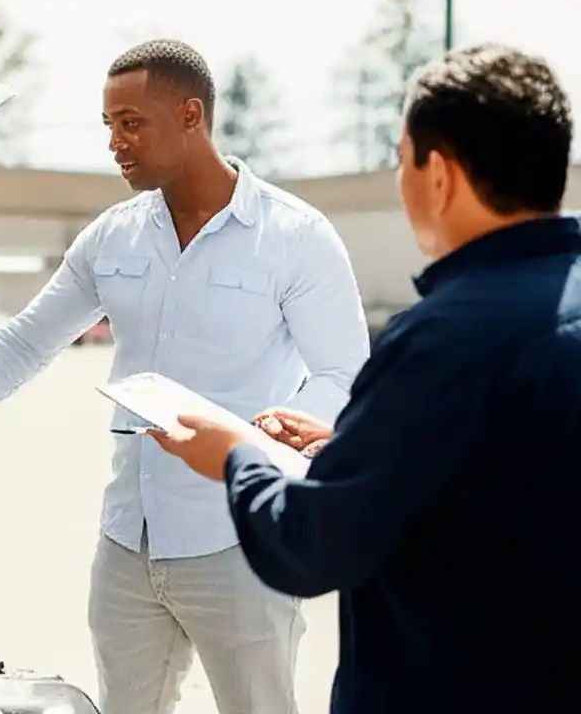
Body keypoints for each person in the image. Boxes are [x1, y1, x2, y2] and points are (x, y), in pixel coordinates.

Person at [0, 39, 370, 714]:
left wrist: (270, 433)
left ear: (190, 115)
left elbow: (343, 372)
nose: (116, 143)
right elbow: (27, 340)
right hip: (128, 543)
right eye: (109, 126)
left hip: (239, 541)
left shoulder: (296, 237)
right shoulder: (112, 237)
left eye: (131, 123)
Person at [149, 43, 581, 713]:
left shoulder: (443, 339)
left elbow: (313, 547)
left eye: (402, 160)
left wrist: (237, 458)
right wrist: (355, 449)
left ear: (439, 174)